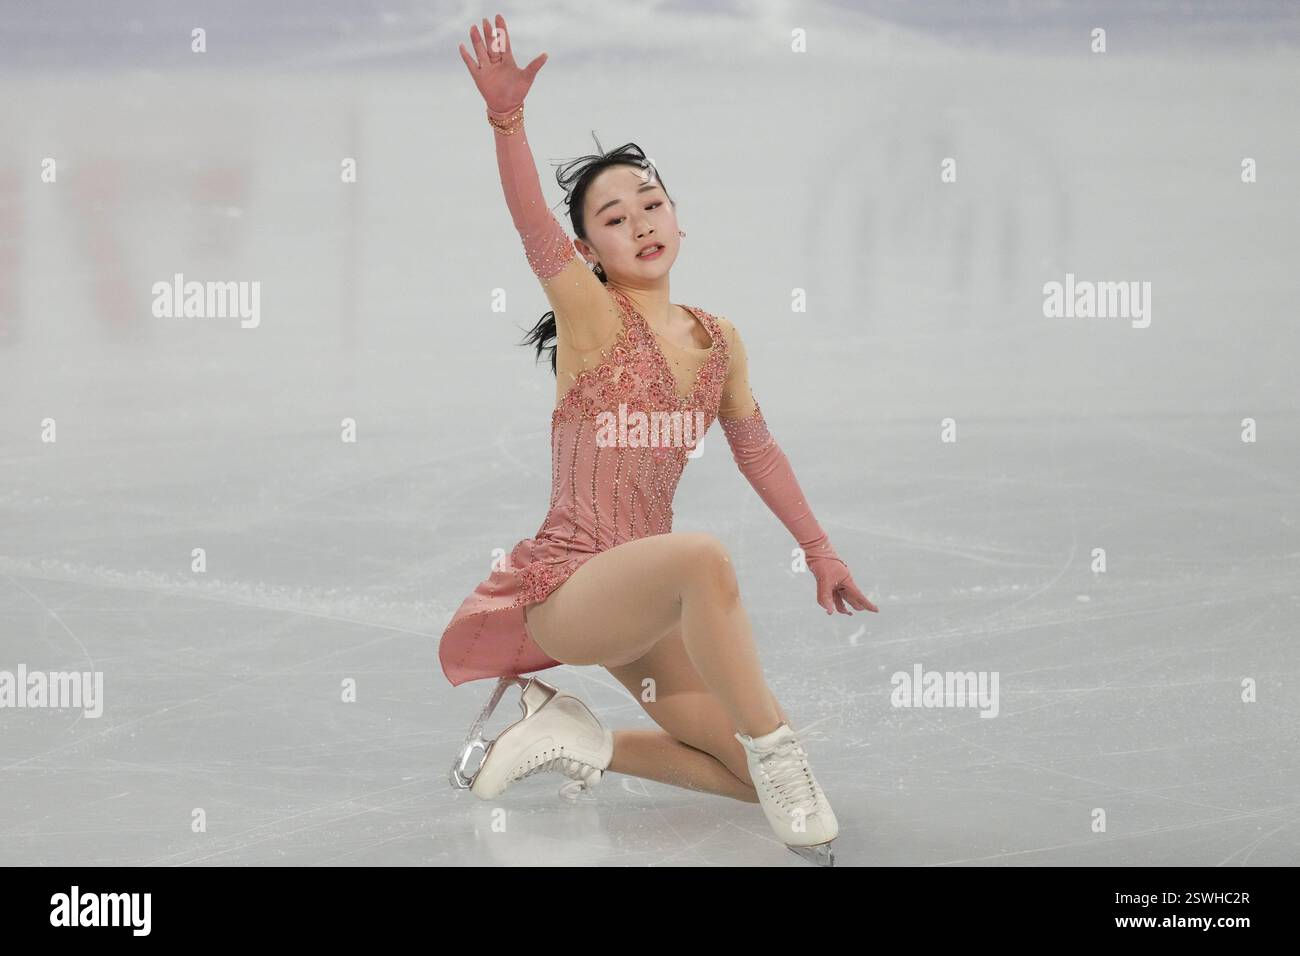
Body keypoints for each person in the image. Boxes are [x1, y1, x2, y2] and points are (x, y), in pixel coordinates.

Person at [442, 14, 878, 864]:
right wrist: (507, 123)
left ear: (679, 217)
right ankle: (777, 744)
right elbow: (532, 229)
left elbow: (756, 447)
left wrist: (821, 551)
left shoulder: (718, 340)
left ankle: (573, 738)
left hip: (642, 605)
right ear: (588, 251)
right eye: (614, 218)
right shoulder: (593, 319)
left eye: (652, 203)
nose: (640, 222)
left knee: (742, 778)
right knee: (704, 559)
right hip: (572, 590)